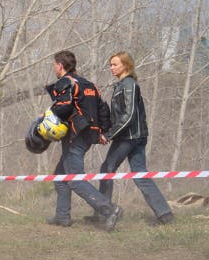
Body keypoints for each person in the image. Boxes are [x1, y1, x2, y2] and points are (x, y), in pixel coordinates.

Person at [91, 52, 174, 225]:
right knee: (140, 175)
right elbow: (121, 115)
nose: (111, 68)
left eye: (114, 64)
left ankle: (104, 213)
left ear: (126, 66)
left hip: (129, 137)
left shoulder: (128, 85)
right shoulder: (123, 85)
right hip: (135, 136)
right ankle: (165, 216)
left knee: (107, 169)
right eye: (110, 64)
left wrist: (108, 135)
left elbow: (128, 117)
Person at [44, 50, 123, 230]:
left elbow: (63, 108)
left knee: (75, 179)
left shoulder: (66, 82)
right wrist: (104, 131)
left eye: (55, 65)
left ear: (60, 65)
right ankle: (62, 216)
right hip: (89, 135)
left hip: (75, 136)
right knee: (60, 177)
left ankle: (109, 209)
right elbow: (103, 109)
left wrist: (46, 116)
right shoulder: (89, 85)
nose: (54, 68)